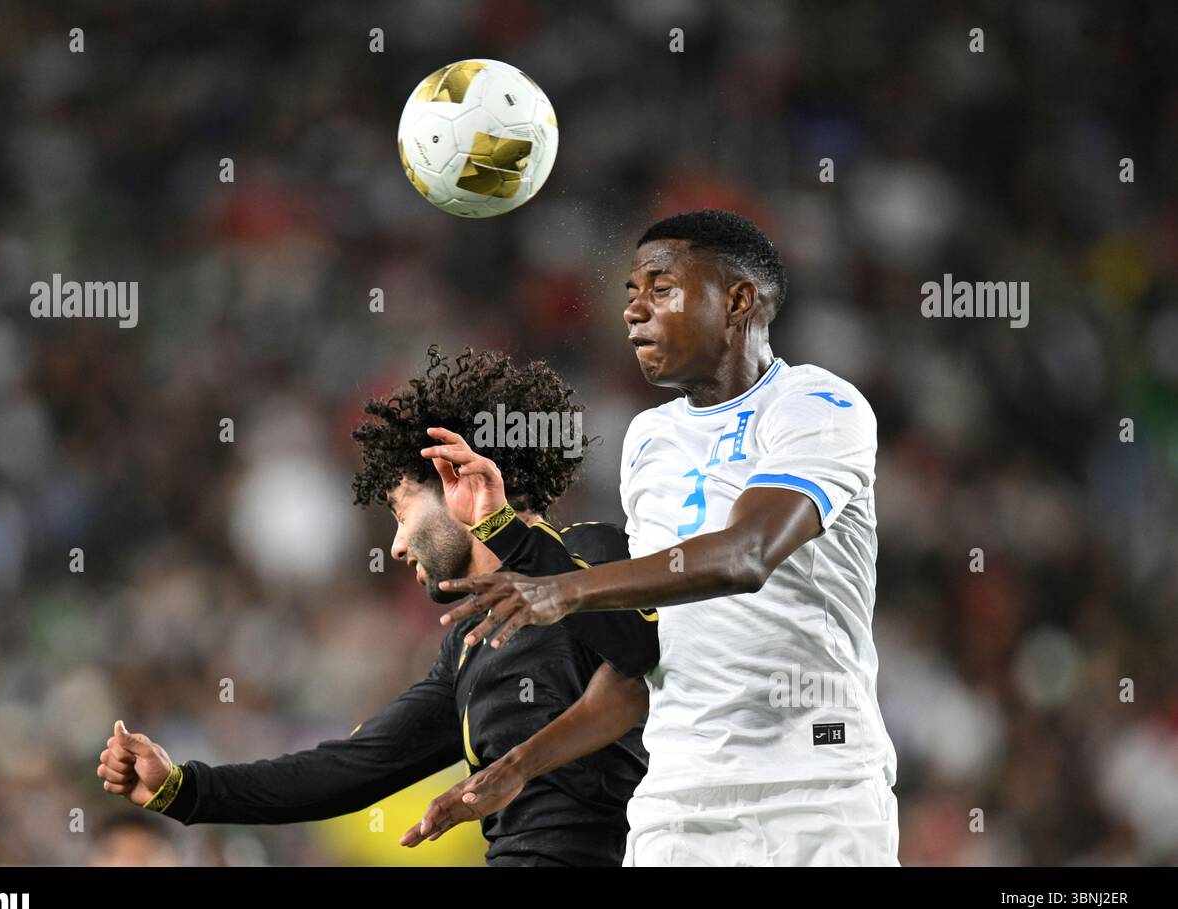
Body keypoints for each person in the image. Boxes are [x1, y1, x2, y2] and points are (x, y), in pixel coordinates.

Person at [428, 210, 900, 866]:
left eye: (662, 288)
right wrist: (517, 767)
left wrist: (564, 590)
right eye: (631, 293)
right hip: (677, 807)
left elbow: (747, 554)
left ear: (738, 301)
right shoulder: (649, 440)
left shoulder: (819, 407)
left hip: (812, 791)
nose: (634, 310)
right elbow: (647, 661)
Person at [96, 346, 658, 866]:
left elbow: (639, 659)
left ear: (456, 480)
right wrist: (185, 787)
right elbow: (351, 769)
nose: (395, 545)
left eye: (401, 511)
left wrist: (502, 529)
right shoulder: (466, 649)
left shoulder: (595, 553)